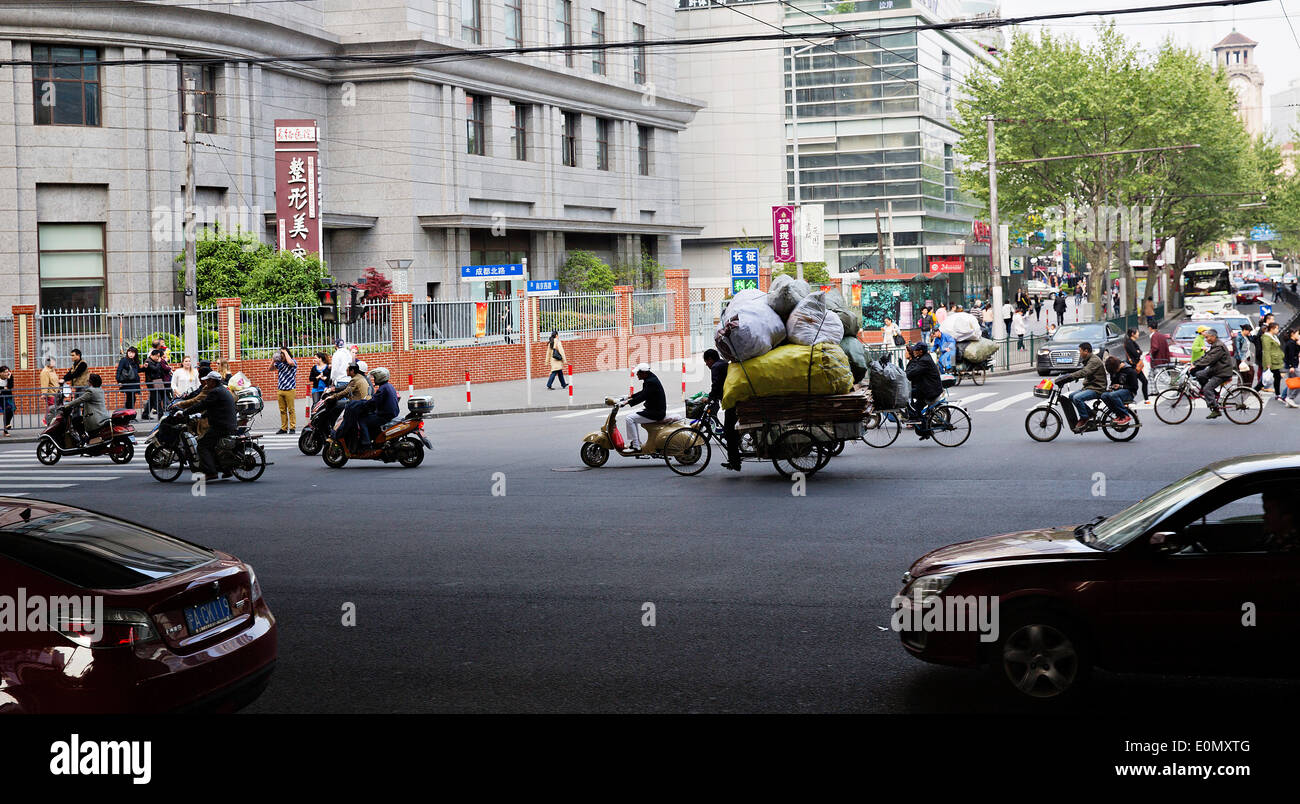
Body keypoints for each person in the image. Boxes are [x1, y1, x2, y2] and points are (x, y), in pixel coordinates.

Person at [188, 371, 237, 481]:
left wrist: (186, 412)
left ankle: (210, 472)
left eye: (208, 380)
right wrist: (202, 415)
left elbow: (203, 404)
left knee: (202, 445)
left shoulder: (215, 392)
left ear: (213, 381)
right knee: (215, 446)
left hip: (221, 426)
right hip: (228, 424)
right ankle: (226, 470)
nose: (206, 382)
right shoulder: (223, 390)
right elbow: (215, 409)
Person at [703, 348, 739, 471]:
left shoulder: (716, 367)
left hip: (731, 401)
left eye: (706, 361)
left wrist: (710, 398)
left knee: (729, 431)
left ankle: (735, 462)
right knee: (731, 429)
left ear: (710, 359)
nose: (706, 364)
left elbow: (716, 385)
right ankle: (735, 457)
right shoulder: (723, 363)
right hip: (734, 399)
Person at [1059, 342, 1107, 432]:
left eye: (1080, 351)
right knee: (1071, 396)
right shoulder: (1089, 360)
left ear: (1086, 351)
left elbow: (1085, 372)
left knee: (1077, 398)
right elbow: (1083, 371)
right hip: (1090, 386)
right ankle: (1089, 413)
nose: (1079, 353)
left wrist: (1070, 377)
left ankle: (1084, 418)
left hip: (1097, 388)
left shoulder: (1094, 360)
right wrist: (1070, 376)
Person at [1190, 328, 1235, 420]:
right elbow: (1206, 356)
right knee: (1199, 374)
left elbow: (1209, 359)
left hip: (1222, 372)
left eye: (1207, 337)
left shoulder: (1218, 346)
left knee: (1207, 389)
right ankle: (1212, 394)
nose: (1206, 339)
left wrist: (1196, 365)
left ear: (1213, 336)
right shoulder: (1215, 345)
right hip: (1215, 369)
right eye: (1205, 338)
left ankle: (1215, 410)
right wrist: (1194, 363)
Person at [622, 362, 666, 452]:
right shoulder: (651, 379)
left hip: (656, 413)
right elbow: (644, 392)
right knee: (632, 417)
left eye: (638, 373)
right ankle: (635, 442)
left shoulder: (651, 382)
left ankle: (636, 446)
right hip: (654, 410)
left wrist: (626, 403)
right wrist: (629, 397)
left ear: (644, 373)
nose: (636, 374)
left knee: (629, 418)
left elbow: (642, 397)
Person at [355, 367, 400, 451]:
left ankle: (366, 444)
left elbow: (373, 402)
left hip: (385, 415)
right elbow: (376, 401)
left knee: (362, 420)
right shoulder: (388, 386)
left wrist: (363, 404)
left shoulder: (382, 389)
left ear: (380, 377)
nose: (374, 379)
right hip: (390, 413)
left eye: (375, 377)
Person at [904, 342, 943, 436]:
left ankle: (923, 428)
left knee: (907, 397)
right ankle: (925, 430)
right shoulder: (923, 358)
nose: (914, 351)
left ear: (920, 352)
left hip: (930, 390)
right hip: (928, 387)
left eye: (916, 350)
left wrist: (903, 376)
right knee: (916, 405)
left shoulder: (924, 360)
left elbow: (912, 373)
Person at [66, 373, 110, 446]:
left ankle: (84, 438)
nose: (87, 382)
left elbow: (79, 400)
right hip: (103, 416)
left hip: (94, 419)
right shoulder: (100, 390)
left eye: (88, 380)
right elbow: (92, 402)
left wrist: (67, 405)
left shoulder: (90, 391)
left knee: (76, 420)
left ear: (91, 382)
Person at [1101, 355, 1138, 426]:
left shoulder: (1130, 371)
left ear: (1118, 366)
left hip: (1129, 392)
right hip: (1117, 392)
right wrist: (1111, 388)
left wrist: (1121, 386)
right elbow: (1113, 382)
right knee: (1104, 395)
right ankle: (1118, 414)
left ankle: (1125, 415)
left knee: (1113, 395)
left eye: (1115, 371)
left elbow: (1134, 387)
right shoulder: (1114, 371)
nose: (1114, 373)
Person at [271, 345, 298, 434]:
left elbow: (290, 362)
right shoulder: (279, 364)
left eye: (281, 354)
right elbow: (270, 369)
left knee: (291, 410)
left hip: (290, 389)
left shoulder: (293, 362)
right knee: (282, 410)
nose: (280, 356)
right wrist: (273, 360)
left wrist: (285, 351)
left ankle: (292, 427)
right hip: (280, 389)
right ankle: (284, 428)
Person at [1262, 322, 1285, 401]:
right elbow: (1266, 351)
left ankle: (1277, 394)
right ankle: (1278, 394)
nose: (1278, 330)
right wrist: (1268, 363)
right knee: (1271, 377)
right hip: (1271, 361)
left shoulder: (1274, 336)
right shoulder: (1266, 337)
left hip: (1275, 360)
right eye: (1277, 328)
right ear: (1272, 329)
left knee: (1274, 377)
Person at [1123, 328, 1148, 402]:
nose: (1138, 334)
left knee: (1142, 382)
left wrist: (1139, 351)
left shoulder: (1131, 342)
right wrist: (1138, 352)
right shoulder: (1129, 343)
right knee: (1134, 385)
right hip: (1133, 366)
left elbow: (1139, 351)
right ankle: (1128, 399)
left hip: (1135, 365)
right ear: (1132, 334)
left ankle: (1146, 399)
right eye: (1137, 332)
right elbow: (1136, 353)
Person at [1283, 328, 1300, 409]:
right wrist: (1291, 366)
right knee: (1297, 382)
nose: (1298, 335)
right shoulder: (1291, 343)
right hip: (1292, 366)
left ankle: (1289, 400)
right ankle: (1290, 398)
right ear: (1292, 334)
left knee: (1291, 384)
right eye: (1297, 334)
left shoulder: (1292, 343)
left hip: (1290, 366)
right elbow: (1290, 356)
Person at [40, 357, 59, 423]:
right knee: (52, 408)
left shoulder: (52, 370)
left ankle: (50, 421)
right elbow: (44, 383)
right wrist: (44, 393)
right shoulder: (45, 372)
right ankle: (46, 421)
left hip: (56, 393)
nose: (54, 363)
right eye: (52, 362)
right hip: (51, 394)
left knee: (53, 408)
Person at [0, 366, 13, 436]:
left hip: (7, 397)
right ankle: (6, 426)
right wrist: (3, 387)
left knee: (10, 411)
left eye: (7, 371)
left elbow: (10, 386)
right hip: (1, 397)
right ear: (0, 373)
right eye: (5, 372)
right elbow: (5, 387)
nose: (6, 373)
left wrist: (8, 379)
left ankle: (6, 427)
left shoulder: (10, 376)